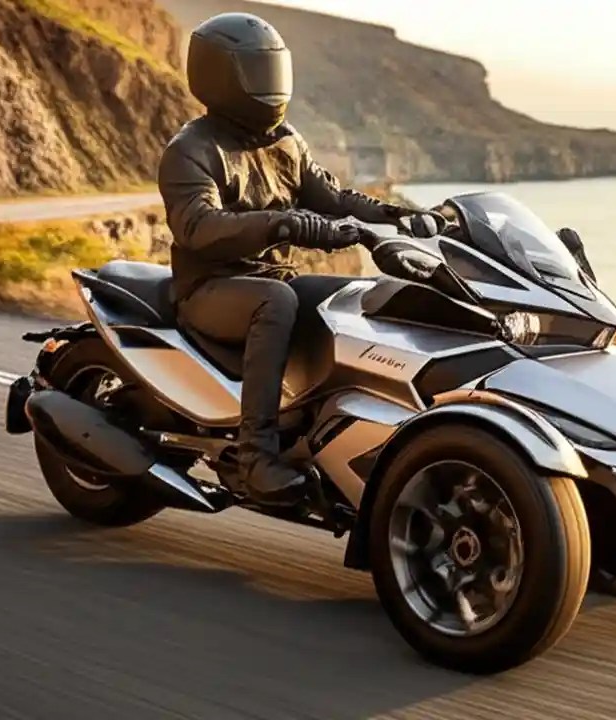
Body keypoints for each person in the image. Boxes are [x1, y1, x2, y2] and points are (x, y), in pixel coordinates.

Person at [158, 12, 444, 506]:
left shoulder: (285, 141)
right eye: (258, 73)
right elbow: (198, 228)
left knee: (355, 301)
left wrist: (402, 215)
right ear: (223, 77)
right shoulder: (191, 150)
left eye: (274, 71)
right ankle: (255, 457)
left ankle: (331, 433)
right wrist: (282, 223)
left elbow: (333, 198)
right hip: (208, 289)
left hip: (273, 278)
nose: (271, 86)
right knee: (277, 303)